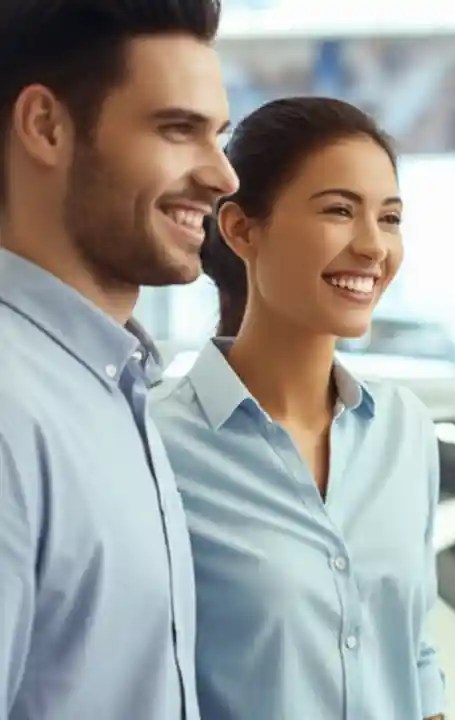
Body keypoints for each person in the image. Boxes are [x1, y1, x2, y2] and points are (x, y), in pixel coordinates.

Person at [150, 96, 445, 720]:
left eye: (389, 219)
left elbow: (415, 654)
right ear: (239, 229)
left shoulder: (405, 429)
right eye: (339, 210)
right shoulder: (155, 444)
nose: (373, 247)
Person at [0, 1, 236, 718]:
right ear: (46, 126)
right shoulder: (11, 406)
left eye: (218, 136)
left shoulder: (113, 387)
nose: (223, 175)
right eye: (177, 130)